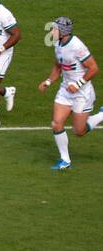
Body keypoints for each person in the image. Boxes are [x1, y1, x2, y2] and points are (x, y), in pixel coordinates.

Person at [38, 16, 102, 170]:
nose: (52, 31)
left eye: (54, 28)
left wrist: (78, 84)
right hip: (65, 91)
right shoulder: (58, 44)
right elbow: (58, 66)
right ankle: (65, 161)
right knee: (57, 123)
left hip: (82, 94)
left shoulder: (77, 46)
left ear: (63, 31)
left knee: (79, 131)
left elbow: (94, 68)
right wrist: (48, 81)